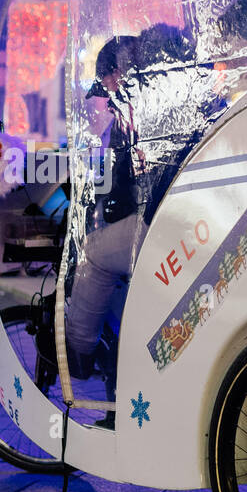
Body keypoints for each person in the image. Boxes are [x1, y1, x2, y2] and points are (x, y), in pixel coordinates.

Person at [66, 37, 148, 429]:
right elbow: (101, 161)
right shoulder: (106, 103)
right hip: (123, 213)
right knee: (122, 313)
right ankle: (115, 397)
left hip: (129, 217)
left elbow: (103, 163)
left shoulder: (111, 103)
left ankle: (81, 351)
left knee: (100, 268)